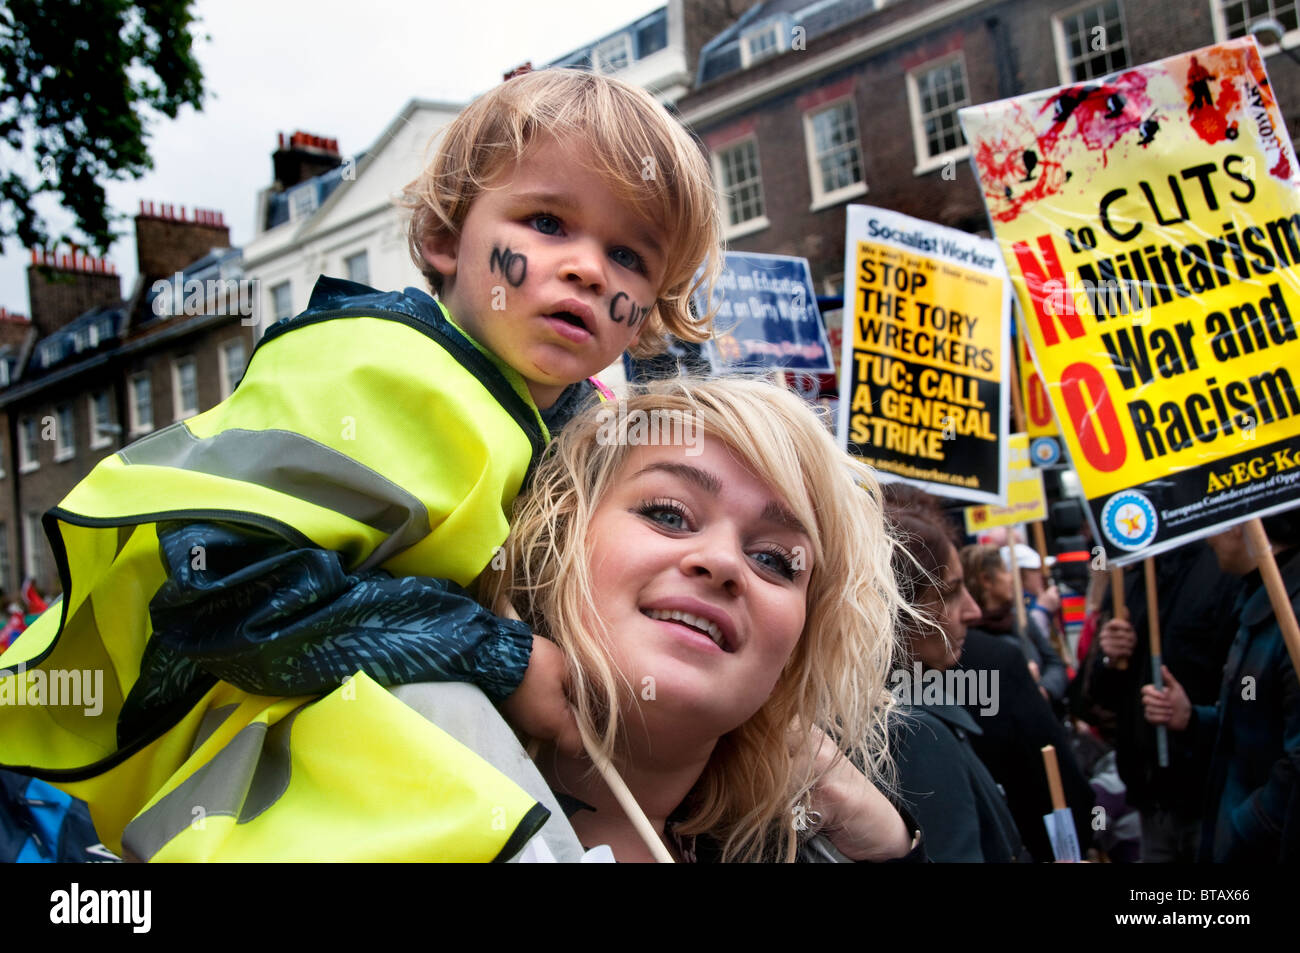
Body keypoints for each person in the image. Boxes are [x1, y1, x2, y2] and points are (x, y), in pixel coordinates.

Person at [0, 68, 722, 859]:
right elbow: (220, 592)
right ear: (445, 240)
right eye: (548, 221)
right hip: (74, 788)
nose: (590, 268)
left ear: (648, 308)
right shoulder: (372, 369)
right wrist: (498, 656)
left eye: (628, 254)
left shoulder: (572, 430)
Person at [477, 378, 920, 861]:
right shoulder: (419, 753)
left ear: (798, 645)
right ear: (558, 539)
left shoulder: (800, 844)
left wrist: (889, 844)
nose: (724, 563)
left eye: (774, 560)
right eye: (669, 515)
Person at [1141, 511, 1300, 863]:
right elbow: (1251, 723)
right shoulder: (1257, 602)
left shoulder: (1290, 616)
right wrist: (1192, 719)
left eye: (1219, 523)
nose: (1210, 538)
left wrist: (1241, 828)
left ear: (1243, 526)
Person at [883, 486, 1029, 862]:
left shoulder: (907, 713)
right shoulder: (914, 732)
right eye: (950, 592)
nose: (973, 611)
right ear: (897, 609)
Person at [962, 543, 1068, 706]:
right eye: (1004, 570)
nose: (1011, 578)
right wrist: (1022, 681)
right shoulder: (967, 636)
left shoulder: (1020, 617)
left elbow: (1054, 663)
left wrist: (1044, 690)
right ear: (986, 580)